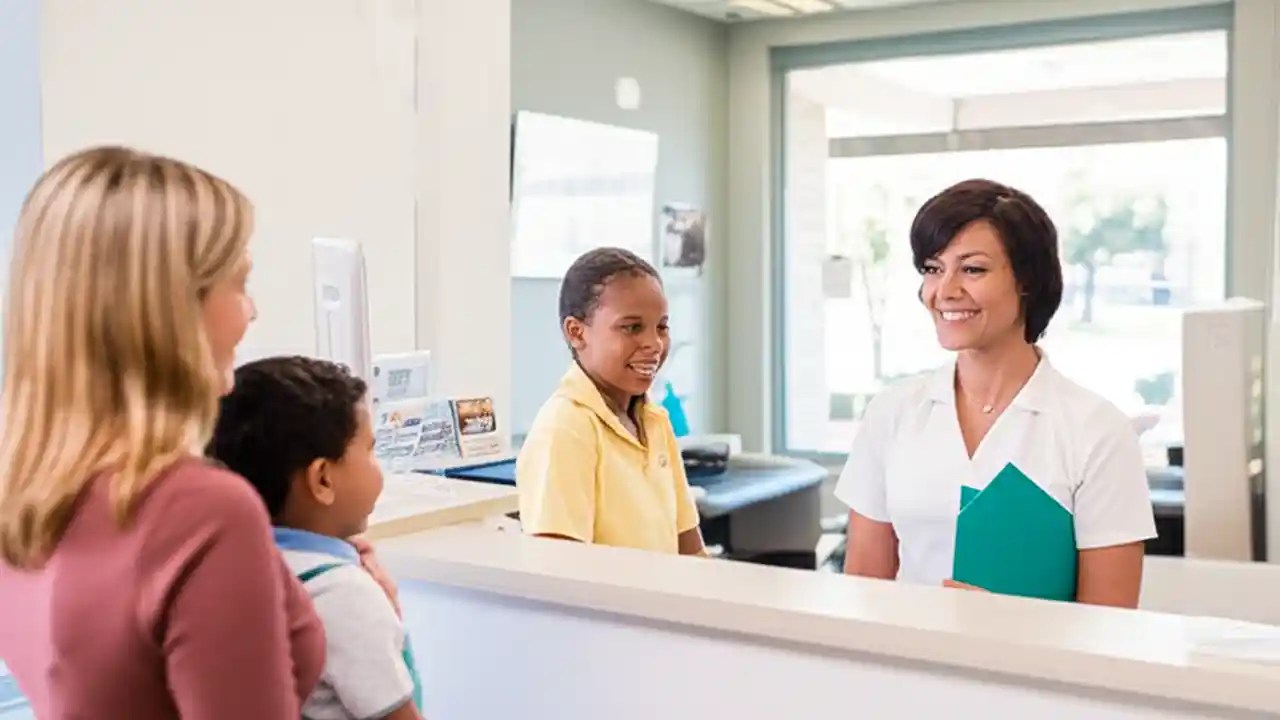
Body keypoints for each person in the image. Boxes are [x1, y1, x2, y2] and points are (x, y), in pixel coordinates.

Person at [0, 146, 325, 717]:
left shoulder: (24, 488)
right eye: (238, 284)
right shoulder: (199, 510)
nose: (251, 312)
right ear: (170, 310)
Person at [836, 179, 1157, 608]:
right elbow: (863, 594)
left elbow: (1112, 622)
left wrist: (1007, 625)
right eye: (933, 268)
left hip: (1034, 673)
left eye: (972, 269)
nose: (945, 290)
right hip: (908, 668)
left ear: (1027, 280)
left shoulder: (1096, 430)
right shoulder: (893, 413)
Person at [207, 356, 424, 720]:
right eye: (370, 450)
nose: (377, 467)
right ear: (322, 479)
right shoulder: (342, 593)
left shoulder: (233, 570)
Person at [517, 247, 705, 555]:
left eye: (661, 327)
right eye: (632, 328)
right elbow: (558, 573)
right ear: (577, 333)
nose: (654, 344)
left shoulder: (655, 421)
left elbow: (692, 553)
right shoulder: (566, 427)